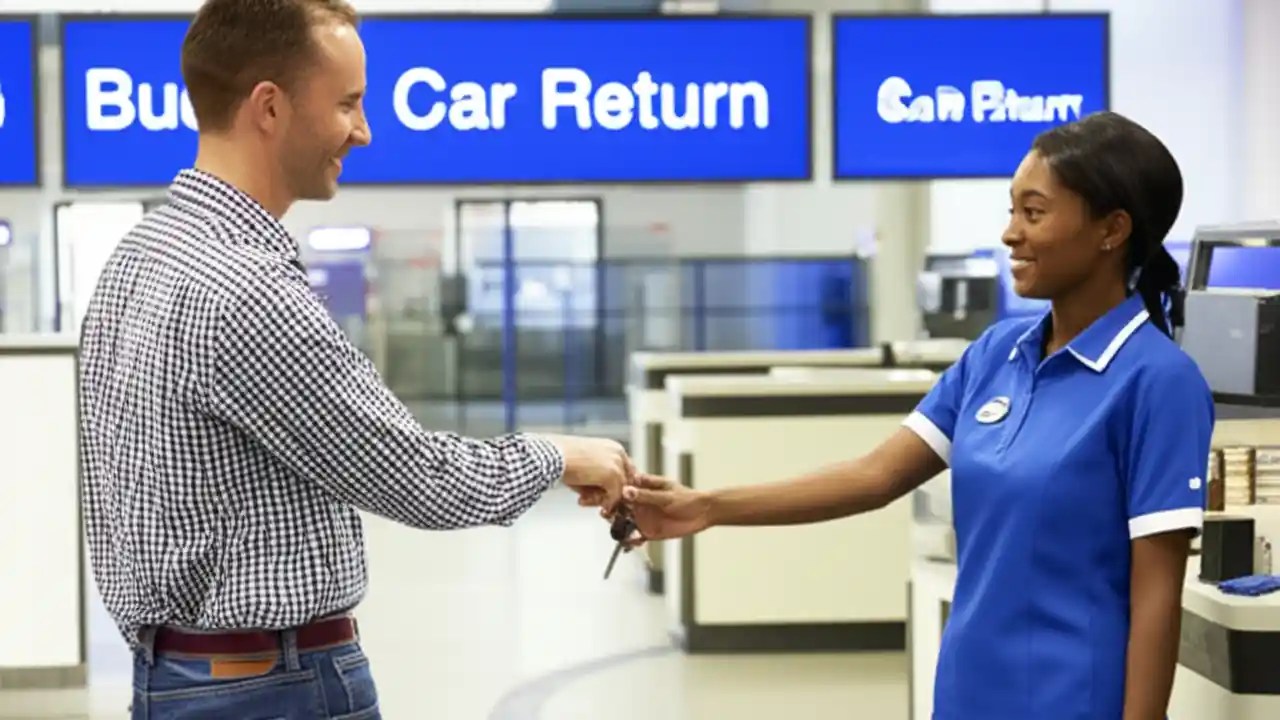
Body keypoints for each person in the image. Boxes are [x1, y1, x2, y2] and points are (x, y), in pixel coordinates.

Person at [77, 1, 633, 718]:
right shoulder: (248, 293)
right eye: (347, 103)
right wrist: (561, 456)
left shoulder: (135, 261)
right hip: (273, 689)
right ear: (270, 108)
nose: (363, 131)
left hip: (170, 680)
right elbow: (420, 480)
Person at [617, 111, 1211, 720]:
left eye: (1033, 213)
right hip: (967, 691)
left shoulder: (1158, 382)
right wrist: (708, 507)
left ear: (1112, 230)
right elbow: (874, 476)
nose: (1010, 233)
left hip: (1071, 699)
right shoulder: (993, 354)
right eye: (1011, 210)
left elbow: (1157, 592)